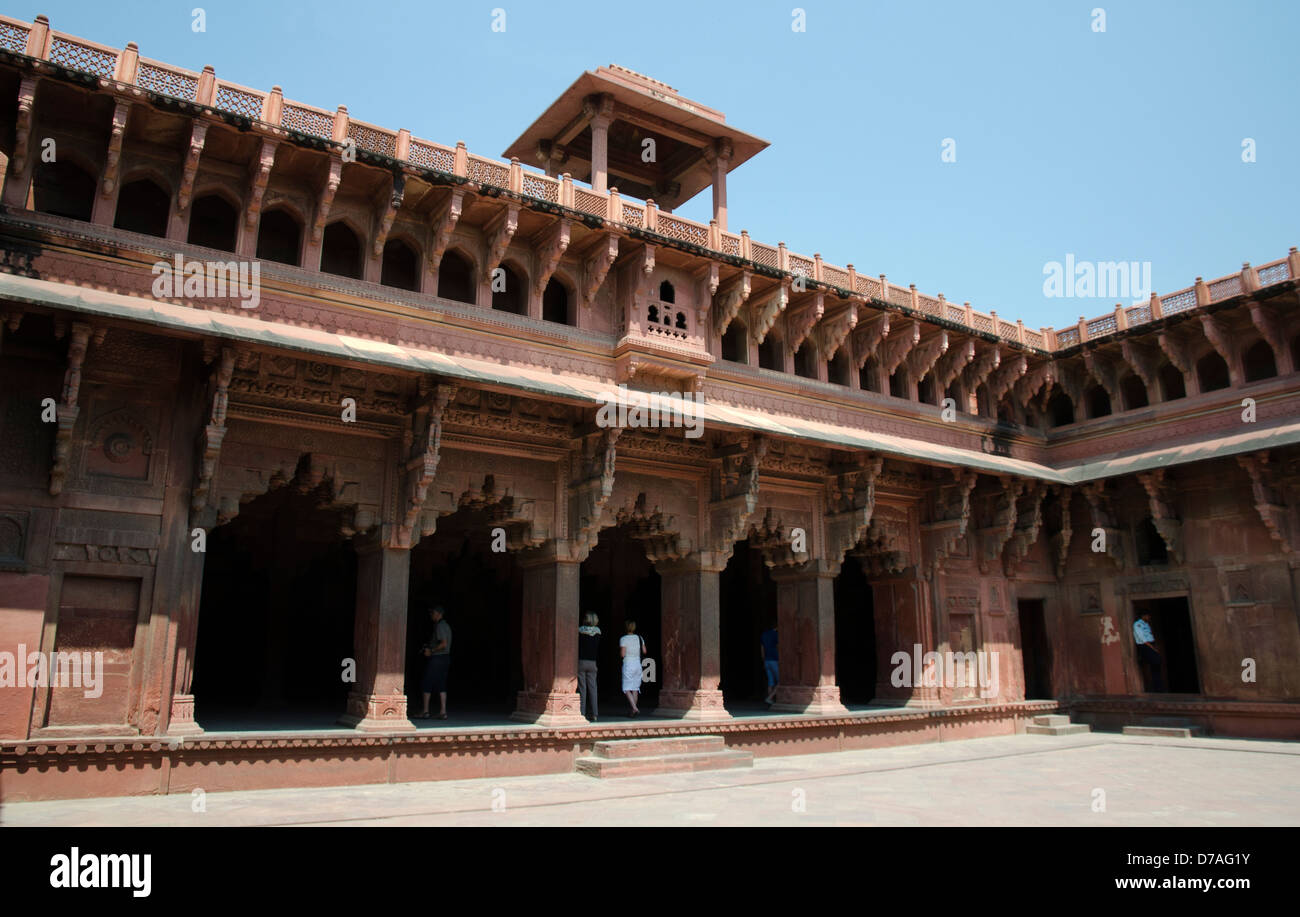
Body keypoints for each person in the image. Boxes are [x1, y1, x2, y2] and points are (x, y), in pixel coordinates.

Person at [418, 606, 452, 719]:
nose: (431, 615)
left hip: (437, 658)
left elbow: (443, 644)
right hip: (445, 658)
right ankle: (443, 711)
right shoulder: (446, 625)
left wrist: (431, 650)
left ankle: (425, 711)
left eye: (432, 613)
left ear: (438, 614)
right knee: (441, 684)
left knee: (427, 682)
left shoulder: (440, 626)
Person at [619, 619, 646, 717]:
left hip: (628, 664)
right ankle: (633, 710)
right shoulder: (640, 638)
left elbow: (622, 654)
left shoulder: (624, 639)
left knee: (626, 688)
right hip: (637, 664)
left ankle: (634, 708)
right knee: (635, 688)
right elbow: (644, 651)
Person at [578, 612, 601, 722]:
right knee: (593, 688)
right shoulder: (598, 632)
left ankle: (582, 713)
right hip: (593, 663)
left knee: (582, 689)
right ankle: (595, 714)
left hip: (581, 662)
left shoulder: (580, 631)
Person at [1133, 612, 1164, 693]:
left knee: (1156, 666)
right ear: (1143, 615)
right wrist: (1153, 648)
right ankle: (1156, 688)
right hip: (1145, 646)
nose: (1149, 617)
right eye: (1147, 615)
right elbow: (1142, 638)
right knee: (1154, 664)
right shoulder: (1138, 624)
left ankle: (1158, 687)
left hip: (1150, 645)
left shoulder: (1146, 624)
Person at [760, 622, 779, 705]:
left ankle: (771, 701)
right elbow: (779, 646)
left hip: (767, 660)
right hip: (774, 659)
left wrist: (763, 660)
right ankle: (770, 698)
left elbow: (762, 648)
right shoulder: (776, 635)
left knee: (770, 682)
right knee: (781, 682)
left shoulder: (764, 635)